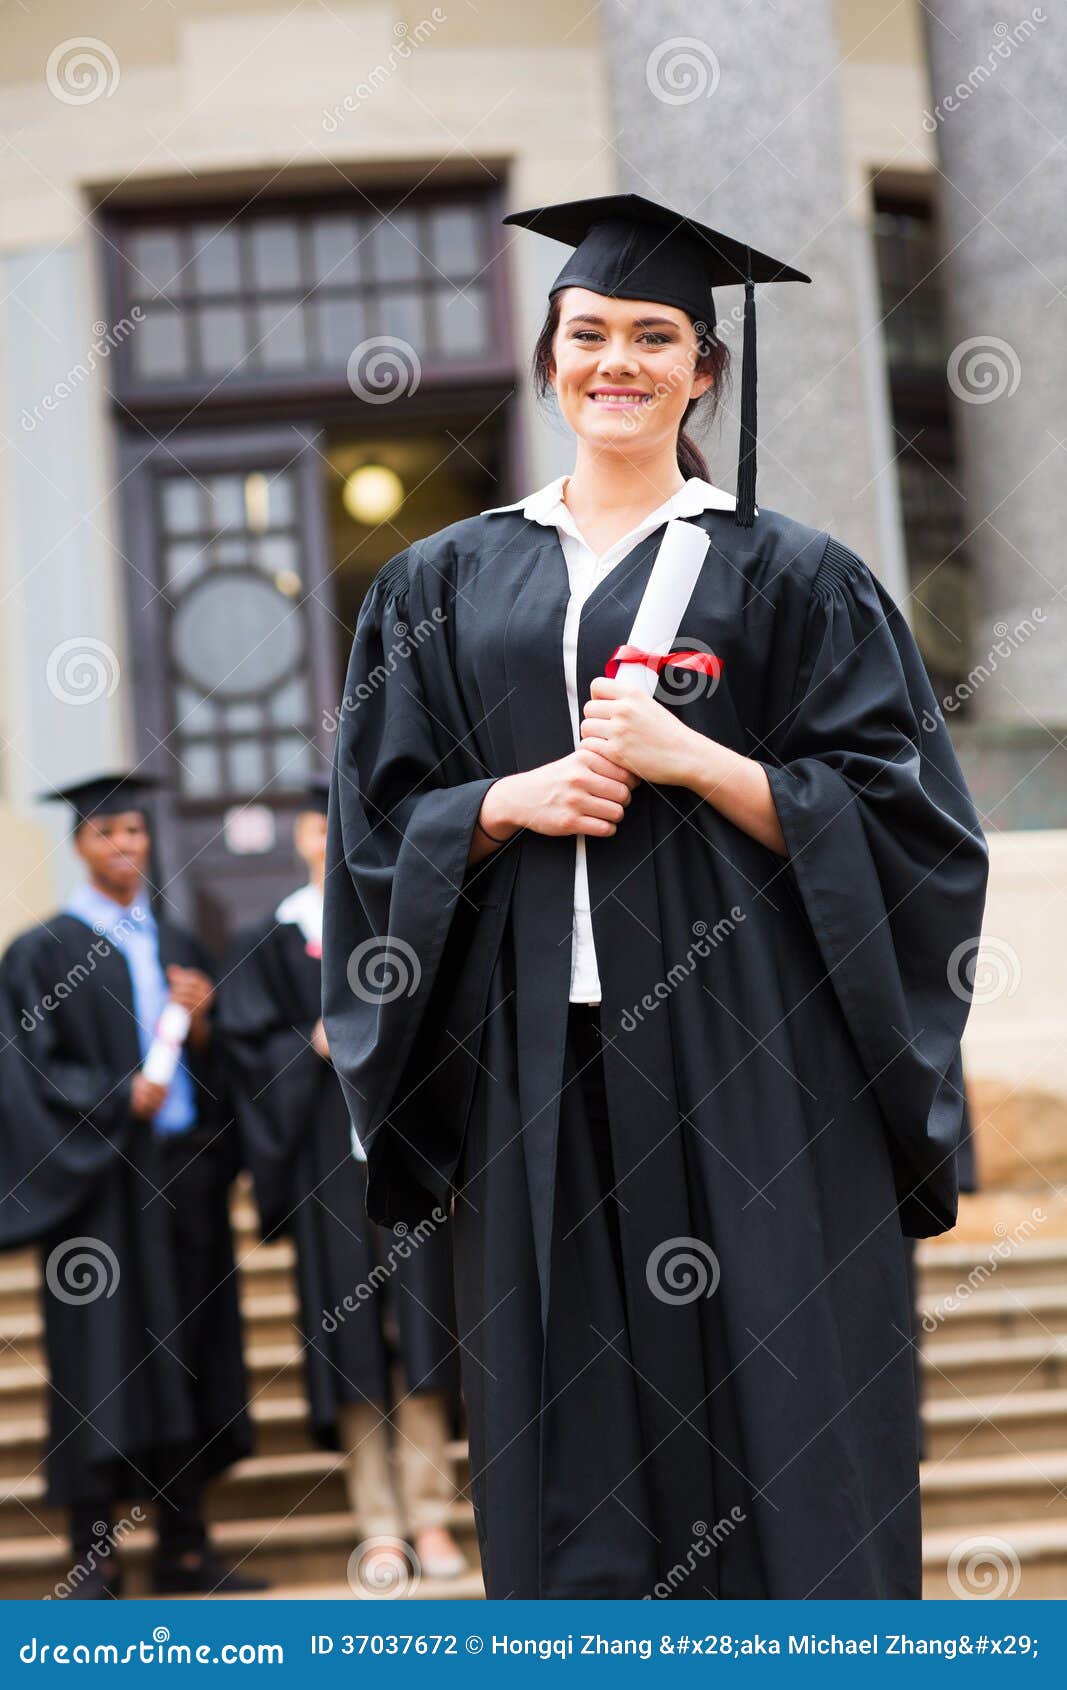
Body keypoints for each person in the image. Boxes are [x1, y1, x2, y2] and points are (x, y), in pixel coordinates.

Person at [320, 193, 990, 1600]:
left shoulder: (792, 576)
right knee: (569, 1434)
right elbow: (374, 829)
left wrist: (710, 763)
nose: (613, 360)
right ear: (548, 358)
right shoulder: (442, 583)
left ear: (702, 369)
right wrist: (500, 803)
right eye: (586, 334)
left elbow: (914, 829)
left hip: (753, 1055)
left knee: (785, 1410)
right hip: (533, 1063)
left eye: (651, 335)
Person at [0, 773, 264, 1598]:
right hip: (100, 1192)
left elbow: (221, 1069)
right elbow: (24, 1076)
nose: (124, 847)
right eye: (107, 833)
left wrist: (206, 1026)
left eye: (135, 834)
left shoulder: (180, 942)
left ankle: (186, 1547)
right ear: (79, 844)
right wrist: (118, 1096)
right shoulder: (41, 952)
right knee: (101, 1366)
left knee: (188, 1357)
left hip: (182, 1181)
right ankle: (94, 1557)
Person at [215, 779, 467, 1585]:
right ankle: (380, 1525)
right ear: (302, 836)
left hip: (402, 1154)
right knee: (354, 1347)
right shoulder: (272, 941)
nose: (331, 840)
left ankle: (431, 1517)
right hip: (326, 1164)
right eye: (320, 828)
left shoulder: (403, 924)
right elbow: (244, 1053)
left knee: (424, 1340)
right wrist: (309, 1047)